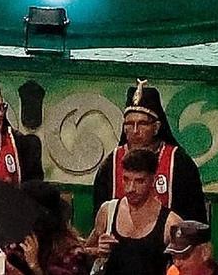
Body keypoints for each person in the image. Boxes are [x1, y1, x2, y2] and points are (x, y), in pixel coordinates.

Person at [91, 82, 208, 224]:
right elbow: (100, 220)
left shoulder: (179, 164)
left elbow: (194, 220)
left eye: (142, 124)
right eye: (129, 124)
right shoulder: (110, 165)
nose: (135, 131)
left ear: (157, 127)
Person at [84, 147, 183, 275]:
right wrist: (98, 251)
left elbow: (187, 266)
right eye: (126, 179)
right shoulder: (108, 211)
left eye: (139, 181)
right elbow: (85, 252)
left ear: (152, 180)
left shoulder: (170, 222)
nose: (131, 188)